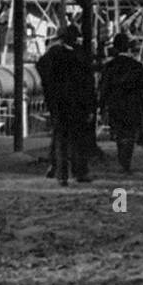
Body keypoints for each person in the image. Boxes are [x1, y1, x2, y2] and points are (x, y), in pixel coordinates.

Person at [36, 25, 95, 185]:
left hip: (59, 103)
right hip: (78, 103)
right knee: (78, 139)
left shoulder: (53, 54)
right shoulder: (81, 55)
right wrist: (90, 105)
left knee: (60, 139)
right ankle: (79, 171)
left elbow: (41, 68)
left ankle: (61, 174)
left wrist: (51, 92)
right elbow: (88, 82)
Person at [97, 32, 143, 173]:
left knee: (119, 133)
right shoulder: (137, 66)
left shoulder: (109, 66)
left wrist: (101, 106)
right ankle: (126, 162)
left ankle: (122, 160)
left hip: (115, 104)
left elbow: (104, 87)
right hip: (132, 104)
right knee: (130, 134)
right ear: (128, 47)